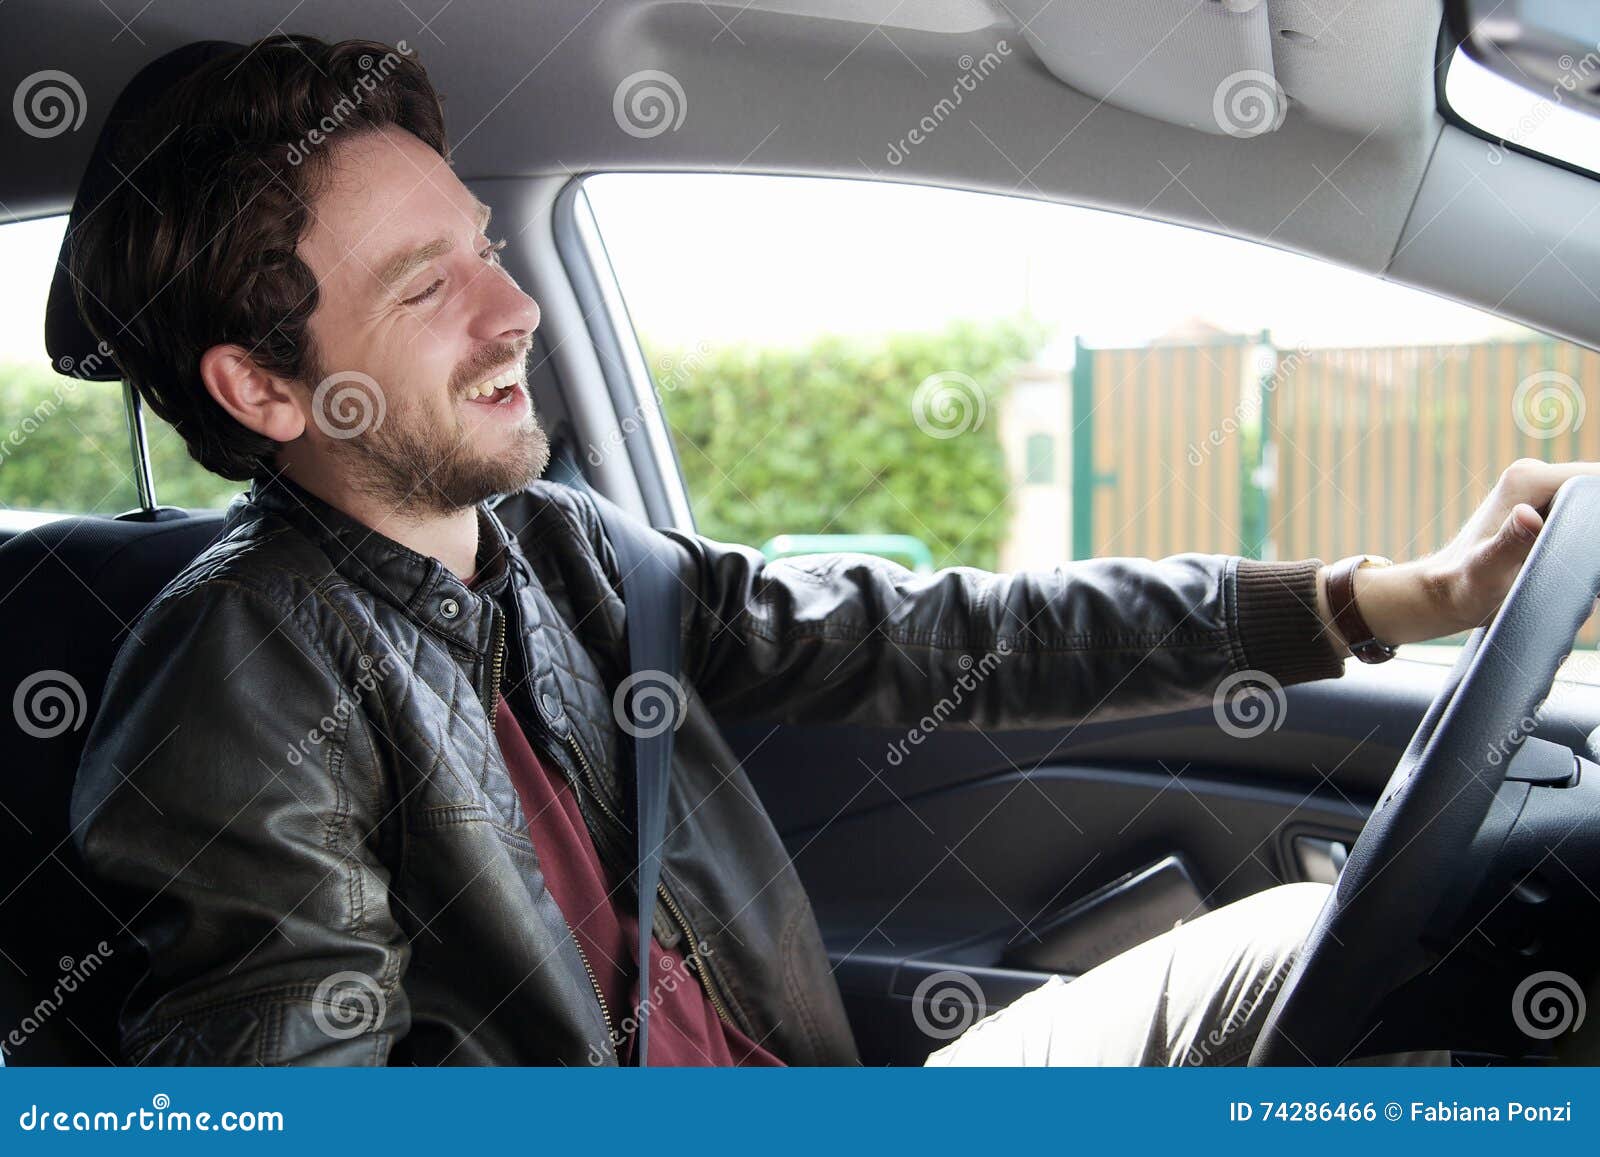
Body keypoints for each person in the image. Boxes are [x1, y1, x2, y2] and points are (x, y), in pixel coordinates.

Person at [67, 34, 1585, 1066]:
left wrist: (1401, 596)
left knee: (1298, 939)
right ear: (263, 388)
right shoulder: (238, 674)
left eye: (488, 247)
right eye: (423, 288)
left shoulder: (560, 554)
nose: (511, 310)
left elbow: (942, 636)